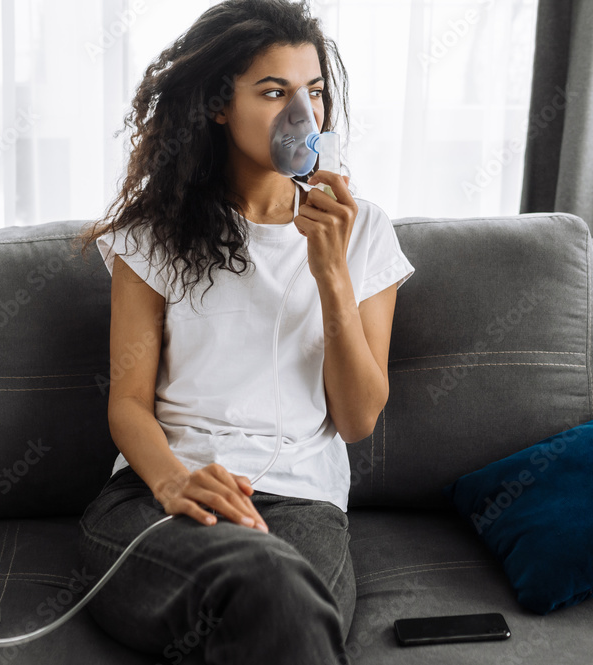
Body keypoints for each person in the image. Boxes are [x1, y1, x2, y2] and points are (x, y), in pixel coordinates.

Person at [69, 1, 414, 663]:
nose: (301, 114)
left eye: (313, 92)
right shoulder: (154, 235)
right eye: (274, 91)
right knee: (259, 589)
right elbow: (128, 403)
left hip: (301, 502)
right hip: (158, 496)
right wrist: (171, 480)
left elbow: (359, 417)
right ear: (220, 106)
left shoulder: (361, 229)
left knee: (278, 590)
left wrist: (331, 273)